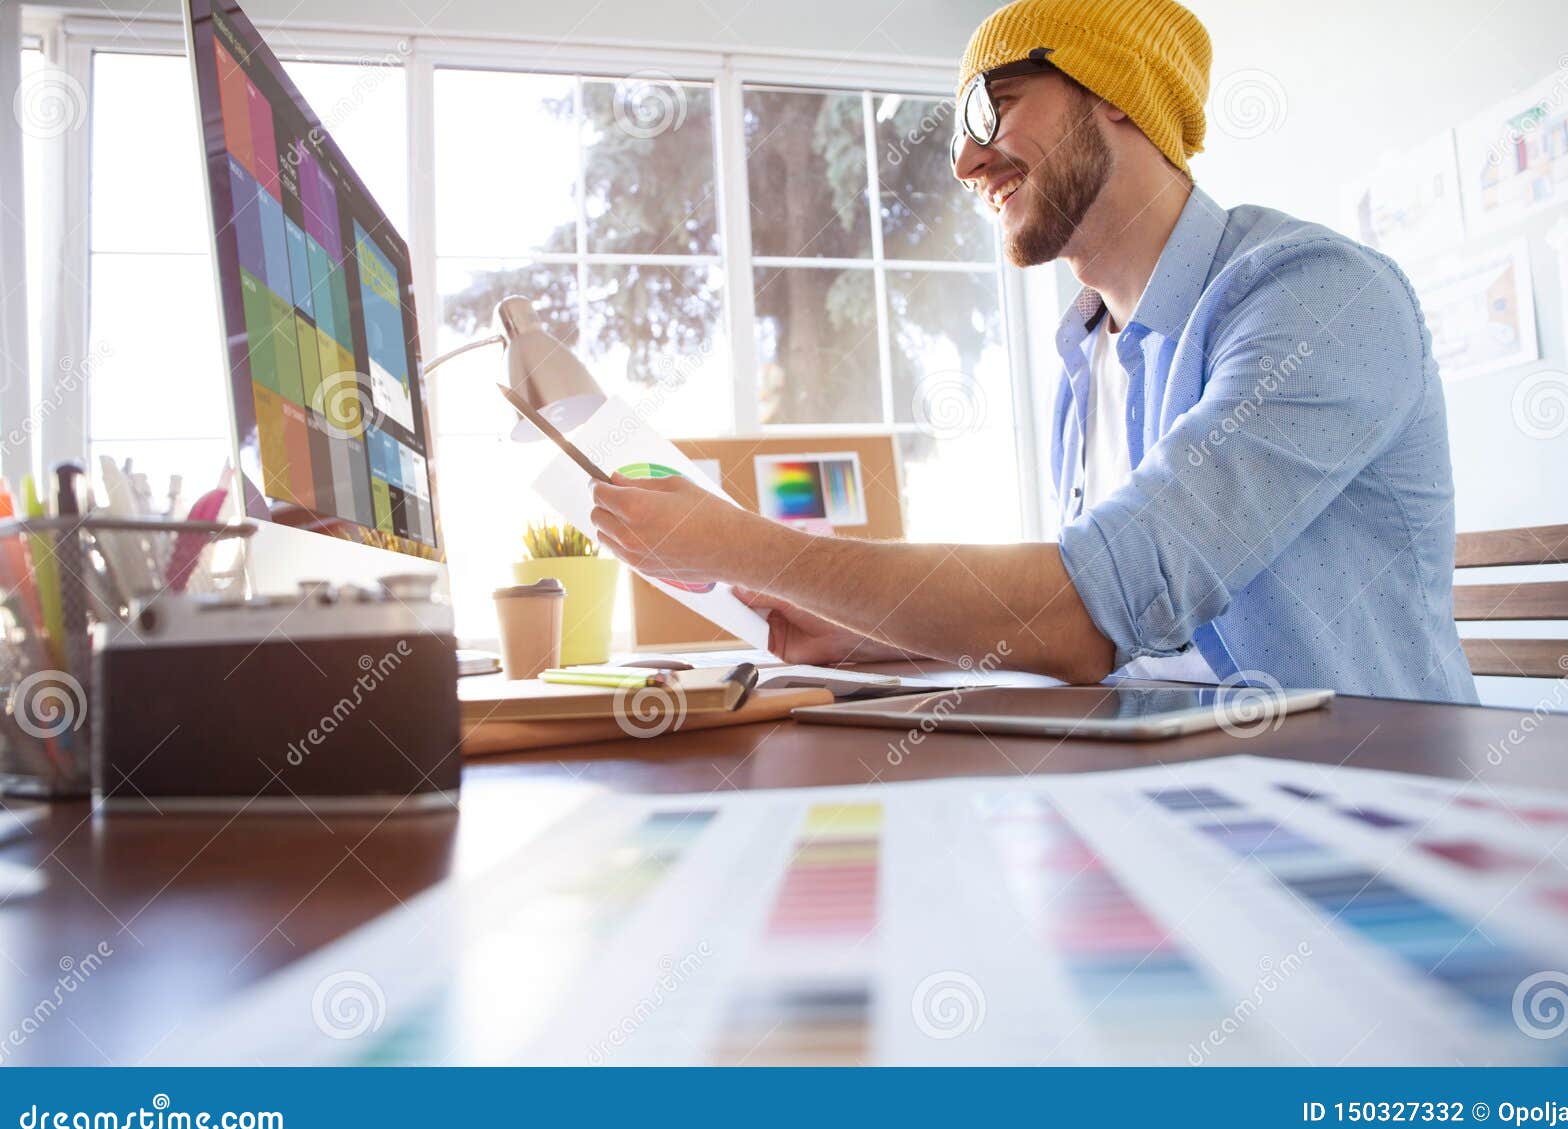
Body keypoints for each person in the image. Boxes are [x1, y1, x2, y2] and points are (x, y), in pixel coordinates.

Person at [589, 0, 1477, 703]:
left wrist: (746, 547)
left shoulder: (1315, 295)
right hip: (1177, 783)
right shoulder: (1087, 352)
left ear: (1115, 86)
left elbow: (1091, 610)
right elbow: (1109, 629)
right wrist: (857, 635)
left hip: (1372, 799)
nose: (967, 163)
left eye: (994, 105)